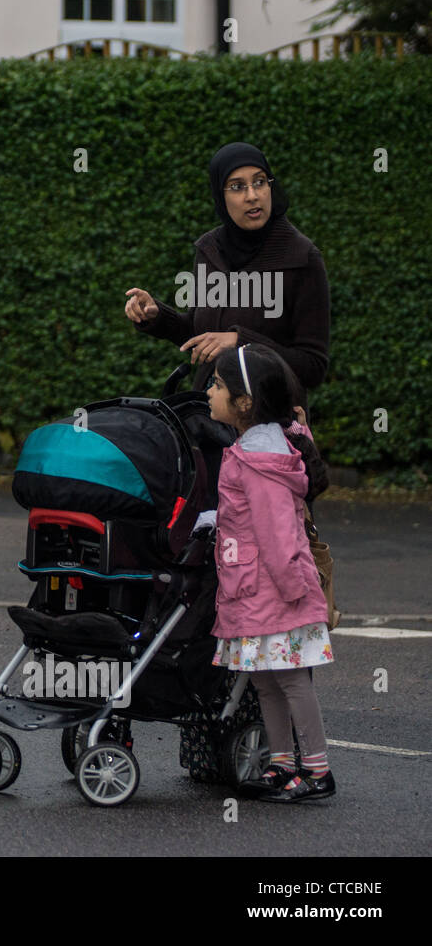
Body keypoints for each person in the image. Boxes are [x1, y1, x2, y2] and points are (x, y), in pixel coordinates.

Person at [206, 343, 335, 802]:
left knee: (291, 678)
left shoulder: (258, 460)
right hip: (254, 588)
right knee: (266, 678)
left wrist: (295, 590)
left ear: (244, 403)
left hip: (278, 590)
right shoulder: (249, 449)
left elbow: (278, 530)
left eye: (218, 385)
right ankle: (282, 764)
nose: (209, 391)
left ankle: (316, 770)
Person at [125, 142, 330, 397]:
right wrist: (156, 316)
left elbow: (313, 367)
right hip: (211, 416)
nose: (252, 195)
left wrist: (240, 342)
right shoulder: (210, 250)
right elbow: (201, 336)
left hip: (270, 423)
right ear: (220, 196)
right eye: (237, 187)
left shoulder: (301, 258)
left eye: (260, 182)